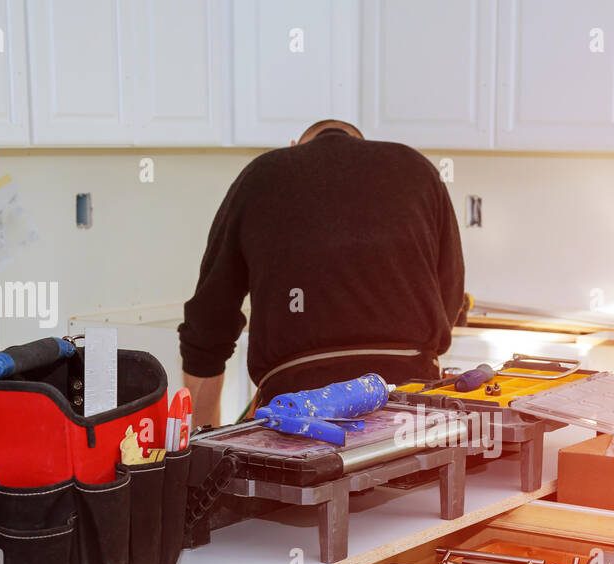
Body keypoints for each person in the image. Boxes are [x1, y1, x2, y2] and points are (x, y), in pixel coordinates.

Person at [178, 118, 466, 426]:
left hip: (298, 400)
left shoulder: (264, 172)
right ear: (363, 143)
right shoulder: (415, 167)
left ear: (294, 149)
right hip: (408, 395)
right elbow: (450, 292)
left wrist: (203, 444)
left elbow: (210, 321)